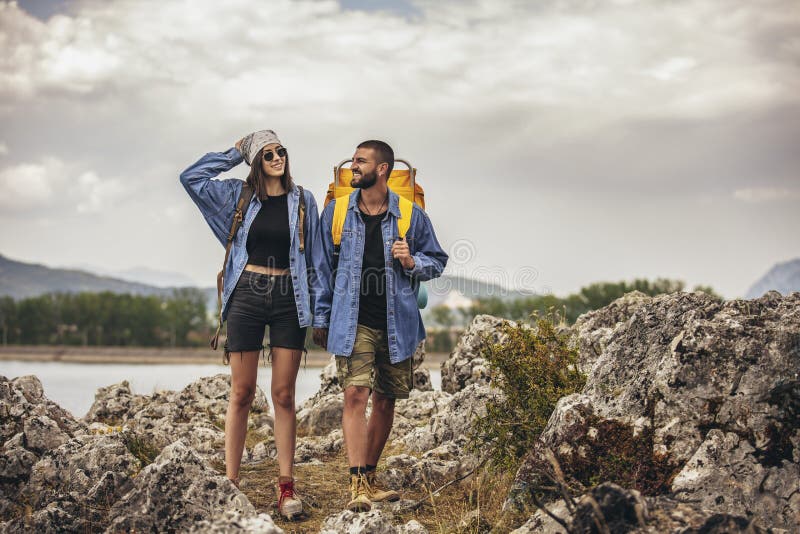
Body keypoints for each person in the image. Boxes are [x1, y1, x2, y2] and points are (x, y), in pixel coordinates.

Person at [180, 130, 322, 520]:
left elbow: (318, 262)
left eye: (281, 151)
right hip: (246, 295)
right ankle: (231, 485)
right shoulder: (237, 197)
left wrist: (321, 312)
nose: (278, 158)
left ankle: (286, 487)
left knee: (284, 395)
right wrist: (235, 152)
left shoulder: (303, 202)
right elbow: (191, 178)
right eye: (267, 154)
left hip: (290, 299)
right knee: (241, 393)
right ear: (256, 161)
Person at [311, 140, 448, 512]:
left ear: (382, 168)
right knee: (355, 396)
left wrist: (412, 261)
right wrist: (320, 318)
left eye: (361, 161)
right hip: (352, 321)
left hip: (396, 322)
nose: (353, 167)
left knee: (386, 400)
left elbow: (437, 260)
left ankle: (370, 477)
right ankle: (356, 483)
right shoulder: (337, 213)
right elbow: (321, 271)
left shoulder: (410, 215)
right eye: (353, 160)